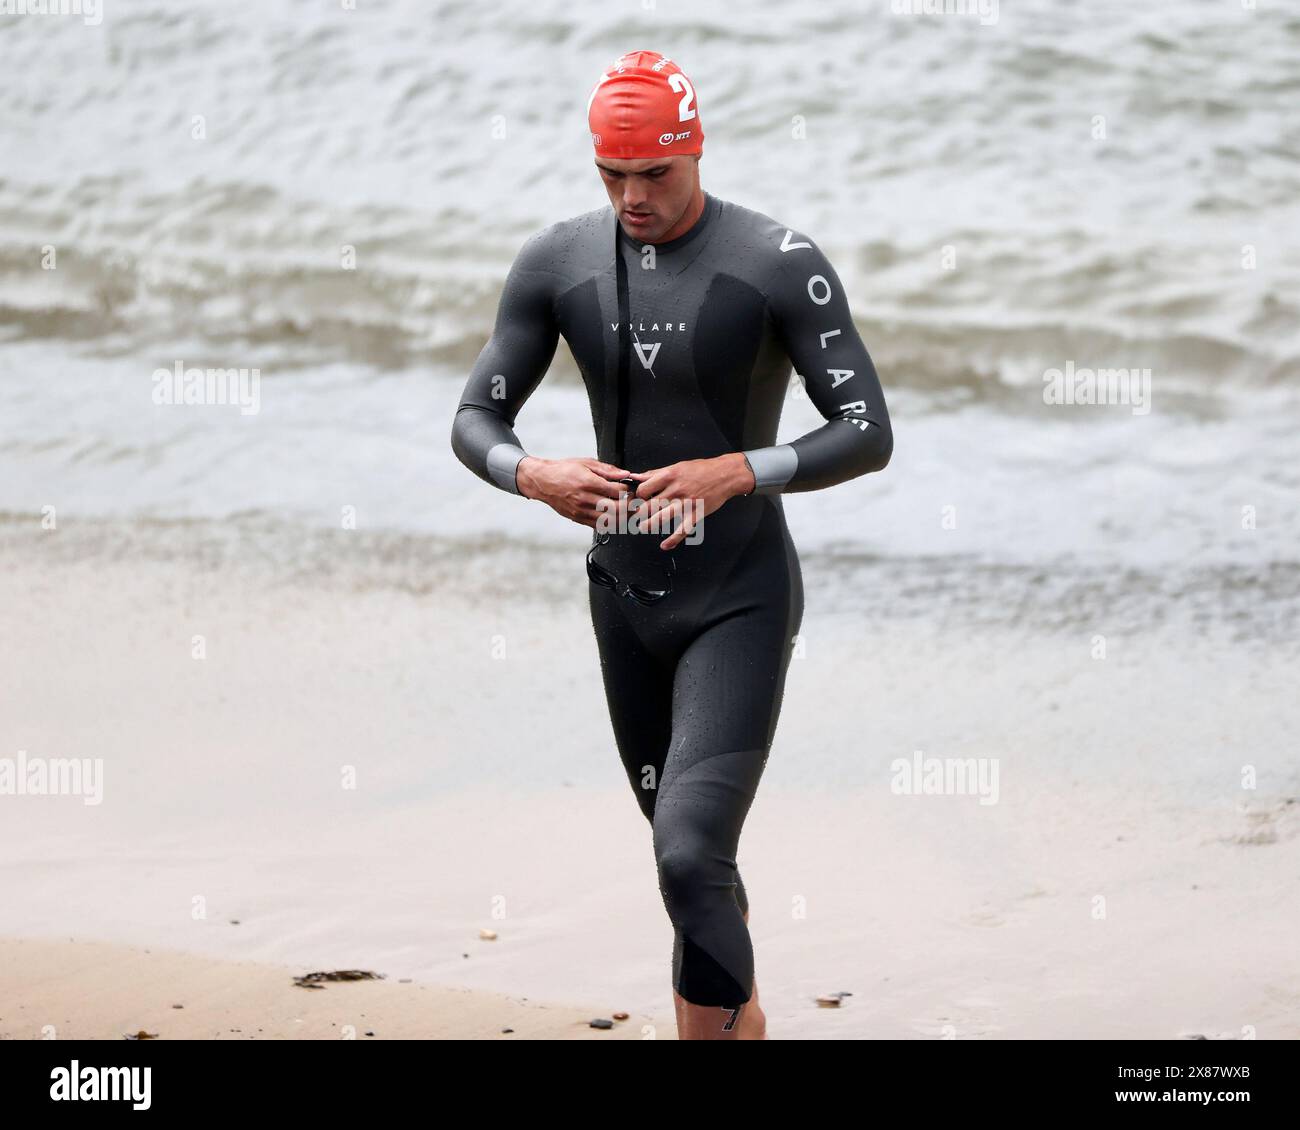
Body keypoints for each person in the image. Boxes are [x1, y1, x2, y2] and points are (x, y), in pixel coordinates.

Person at [451, 49, 892, 1040]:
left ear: (694, 150)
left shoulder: (777, 260)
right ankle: (740, 1022)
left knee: (690, 854)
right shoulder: (555, 261)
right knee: (683, 856)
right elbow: (475, 419)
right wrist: (533, 471)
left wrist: (740, 467)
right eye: (612, 174)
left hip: (738, 591)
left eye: (655, 171)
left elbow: (866, 430)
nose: (633, 195)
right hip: (622, 595)